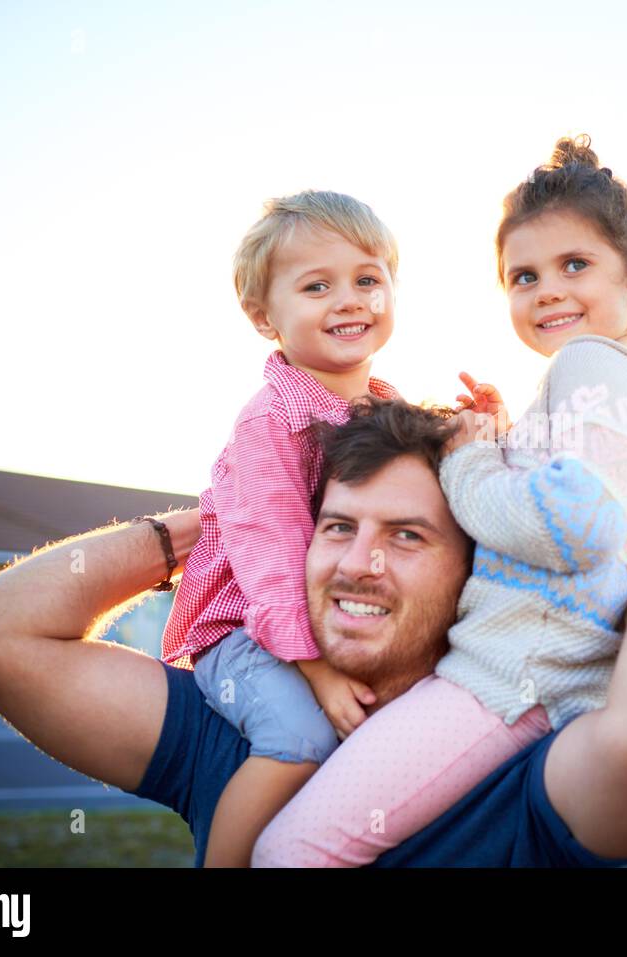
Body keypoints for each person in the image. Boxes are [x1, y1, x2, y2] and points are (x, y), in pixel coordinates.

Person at [0, 399, 627, 867]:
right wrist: (235, 526)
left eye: (407, 535)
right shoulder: (251, 738)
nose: (359, 561)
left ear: (477, 571)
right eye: (336, 527)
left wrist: (620, 577)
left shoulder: (525, 768)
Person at [253, 134, 627, 866]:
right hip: (534, 669)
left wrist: (471, 460)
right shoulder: (621, 382)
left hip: (508, 679)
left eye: (574, 264)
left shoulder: (587, 363)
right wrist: (503, 438)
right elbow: (570, 500)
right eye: (523, 275)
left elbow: (570, 523)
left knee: (292, 848)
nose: (546, 289)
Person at [161, 190, 402, 865]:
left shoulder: (388, 408)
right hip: (242, 632)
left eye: (367, 279)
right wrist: (320, 674)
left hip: (331, 621)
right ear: (265, 317)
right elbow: (272, 564)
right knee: (302, 737)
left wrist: (478, 431)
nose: (349, 299)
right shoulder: (270, 421)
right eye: (317, 285)